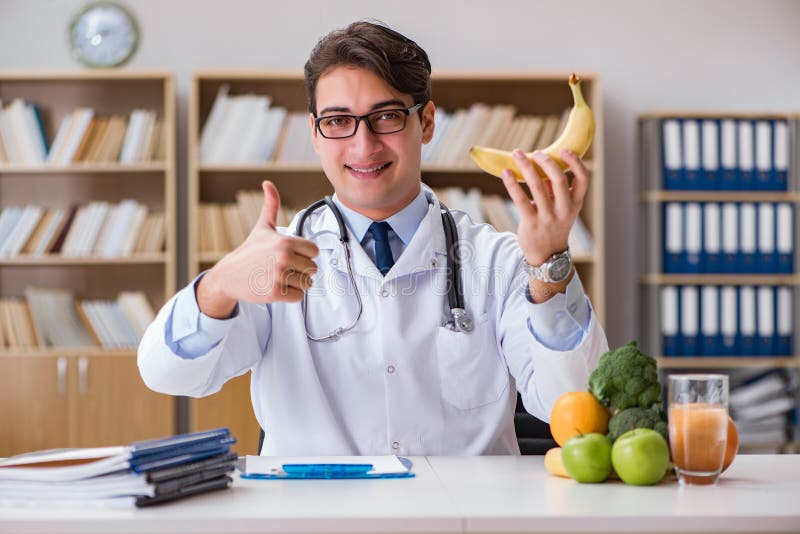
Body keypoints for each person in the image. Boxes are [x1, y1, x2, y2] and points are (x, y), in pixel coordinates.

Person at [138, 20, 608, 456]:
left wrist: (549, 267)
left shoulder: (501, 260)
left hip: (459, 516)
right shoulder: (274, 260)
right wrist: (217, 287)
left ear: (426, 123)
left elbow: (577, 407)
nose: (363, 145)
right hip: (315, 515)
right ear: (316, 133)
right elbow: (168, 373)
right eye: (338, 121)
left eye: (385, 116)